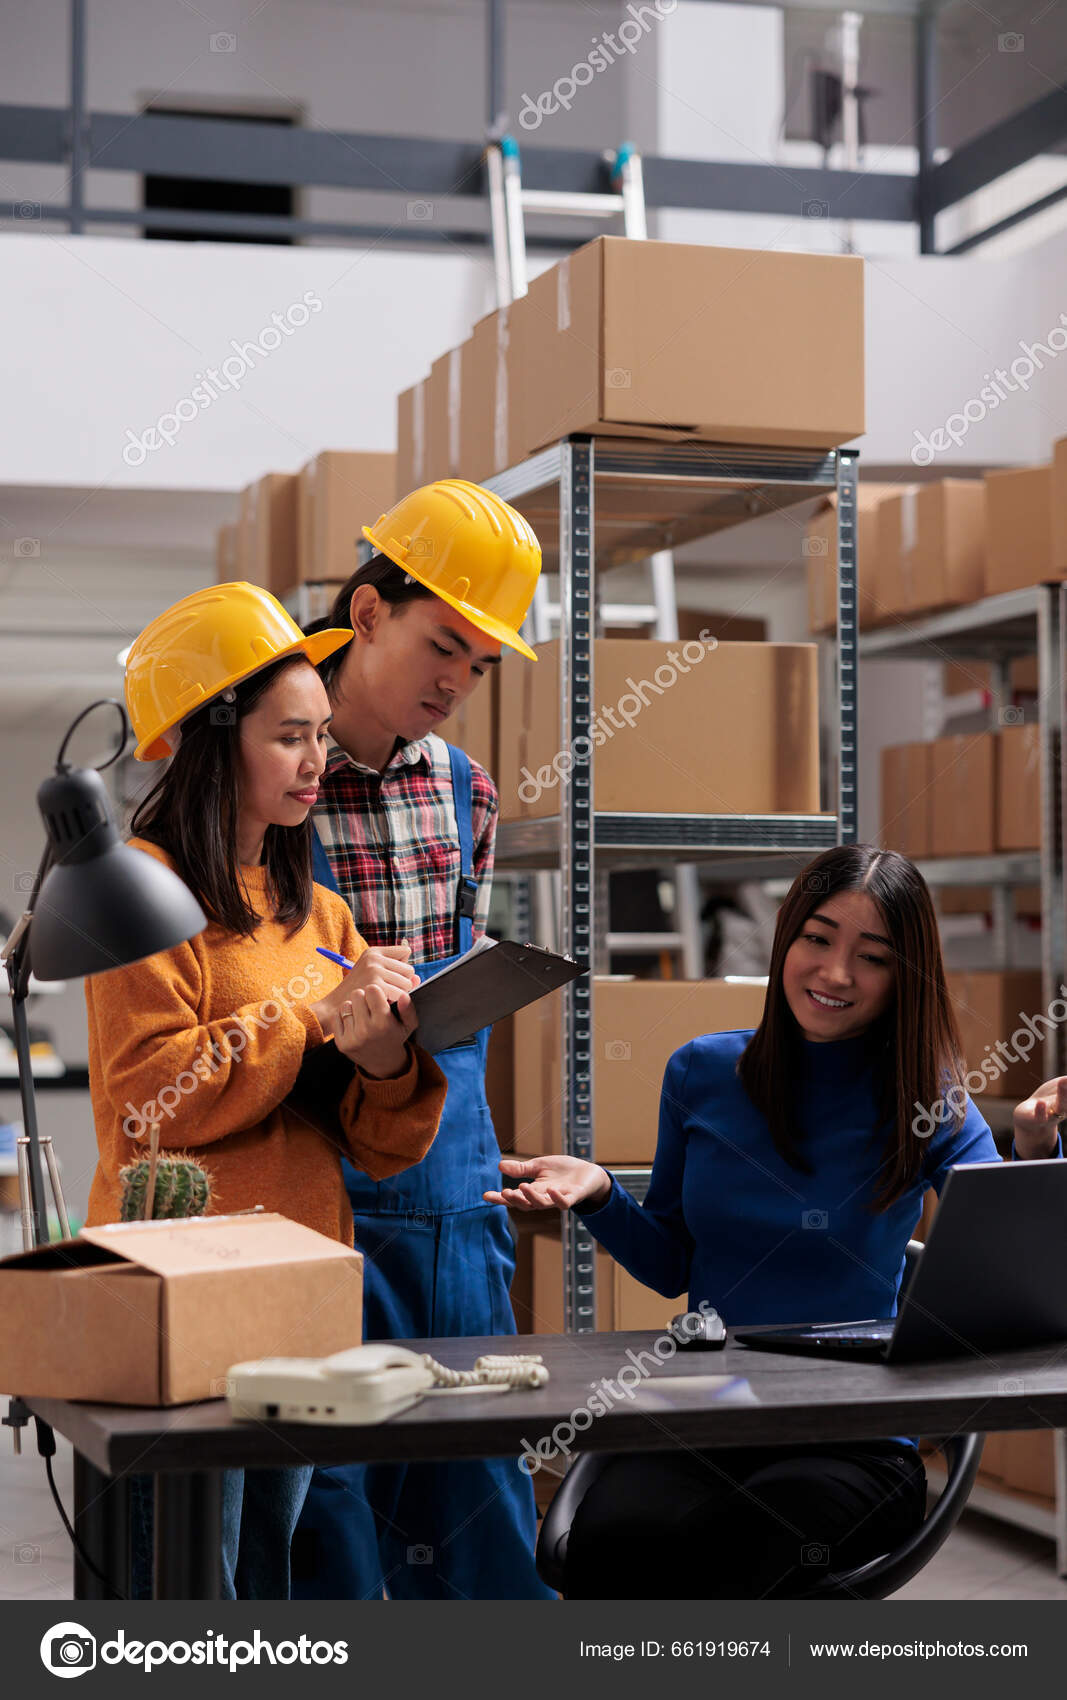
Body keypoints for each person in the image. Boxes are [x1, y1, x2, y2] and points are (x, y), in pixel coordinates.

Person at [486, 844, 1064, 1599]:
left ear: (906, 976)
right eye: (816, 939)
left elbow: (1010, 1261)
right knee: (609, 1544)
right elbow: (670, 1265)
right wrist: (600, 1194)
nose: (835, 973)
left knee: (743, 1547)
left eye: (872, 957)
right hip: (708, 1418)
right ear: (786, 937)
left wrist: (1035, 1147)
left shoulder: (928, 1099)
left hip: (852, 1440)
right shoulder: (700, 1072)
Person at [84, 582, 448, 1600]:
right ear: (212, 741)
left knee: (260, 1582)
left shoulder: (317, 911)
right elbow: (151, 1099)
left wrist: (383, 1056)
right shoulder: (138, 889)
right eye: (289, 736)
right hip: (182, 1304)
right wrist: (312, 1015)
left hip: (296, 1297)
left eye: (321, 734)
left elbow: (380, 1145)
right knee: (185, 1593)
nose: (317, 759)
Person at [292, 478, 556, 1601]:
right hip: (303, 1148)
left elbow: (455, 951)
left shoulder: (466, 789)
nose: (455, 681)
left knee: (470, 1443)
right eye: (442, 645)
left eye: (480, 664)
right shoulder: (272, 768)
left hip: (445, 1155)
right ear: (366, 612)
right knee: (325, 1459)